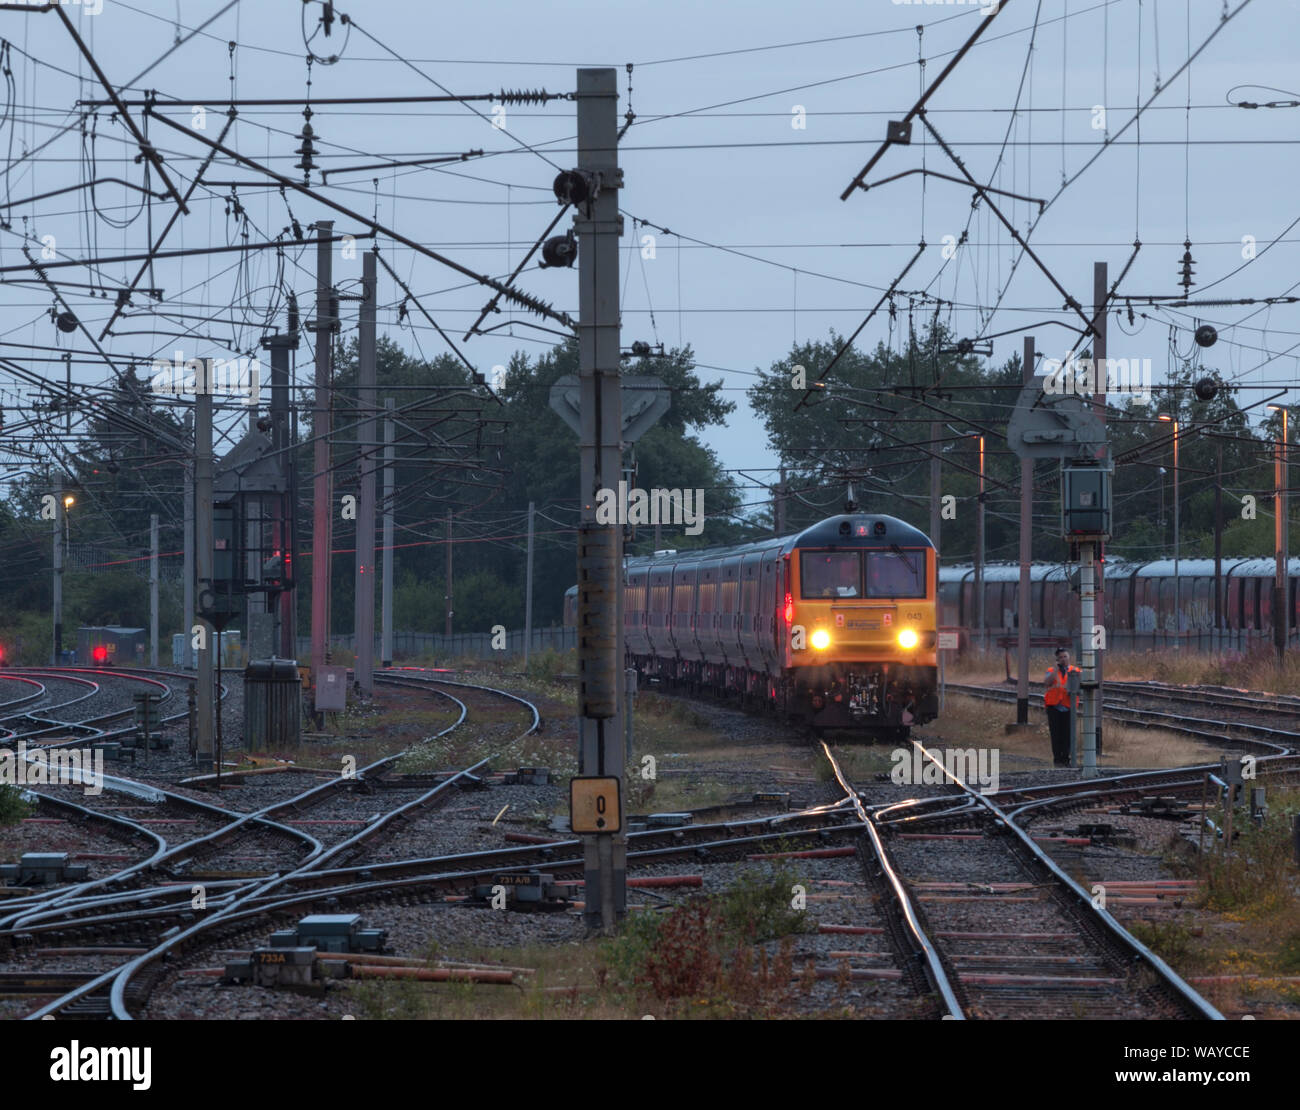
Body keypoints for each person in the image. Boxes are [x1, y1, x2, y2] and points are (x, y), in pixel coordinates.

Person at [1043, 647, 1080, 766]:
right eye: (1060, 657)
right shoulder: (1051, 670)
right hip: (1054, 706)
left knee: (1067, 734)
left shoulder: (1075, 670)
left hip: (1069, 706)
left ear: (1069, 657)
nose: (1063, 659)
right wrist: (1055, 669)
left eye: (1065, 656)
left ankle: (1066, 758)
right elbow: (1047, 682)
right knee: (1056, 734)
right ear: (1057, 659)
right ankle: (1057, 759)